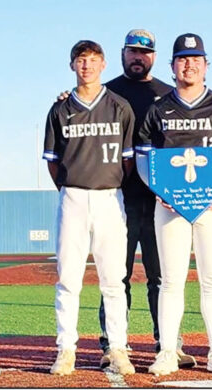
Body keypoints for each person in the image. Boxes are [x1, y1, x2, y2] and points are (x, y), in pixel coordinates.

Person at [136, 33, 212, 377]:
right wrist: (156, 186)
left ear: (206, 66)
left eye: (195, 59)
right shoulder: (158, 109)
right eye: (183, 59)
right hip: (170, 206)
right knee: (171, 280)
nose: (189, 65)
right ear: (172, 66)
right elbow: (143, 156)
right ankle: (169, 351)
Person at [96, 29, 195, 369]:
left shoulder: (169, 95)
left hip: (160, 201)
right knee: (114, 276)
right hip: (116, 199)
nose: (138, 57)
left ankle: (169, 343)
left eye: (145, 52)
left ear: (154, 57)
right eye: (132, 51)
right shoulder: (105, 93)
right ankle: (112, 344)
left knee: (162, 276)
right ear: (122, 53)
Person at [43, 40, 136, 376]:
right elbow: (53, 164)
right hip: (73, 197)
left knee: (114, 279)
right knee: (68, 277)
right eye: (81, 60)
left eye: (93, 60)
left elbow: (128, 161)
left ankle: (118, 348)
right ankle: (66, 348)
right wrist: (72, 184)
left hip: (110, 196)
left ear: (103, 64)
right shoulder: (60, 109)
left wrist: (104, 182)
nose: (87, 66)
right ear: (72, 66)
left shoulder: (119, 106)